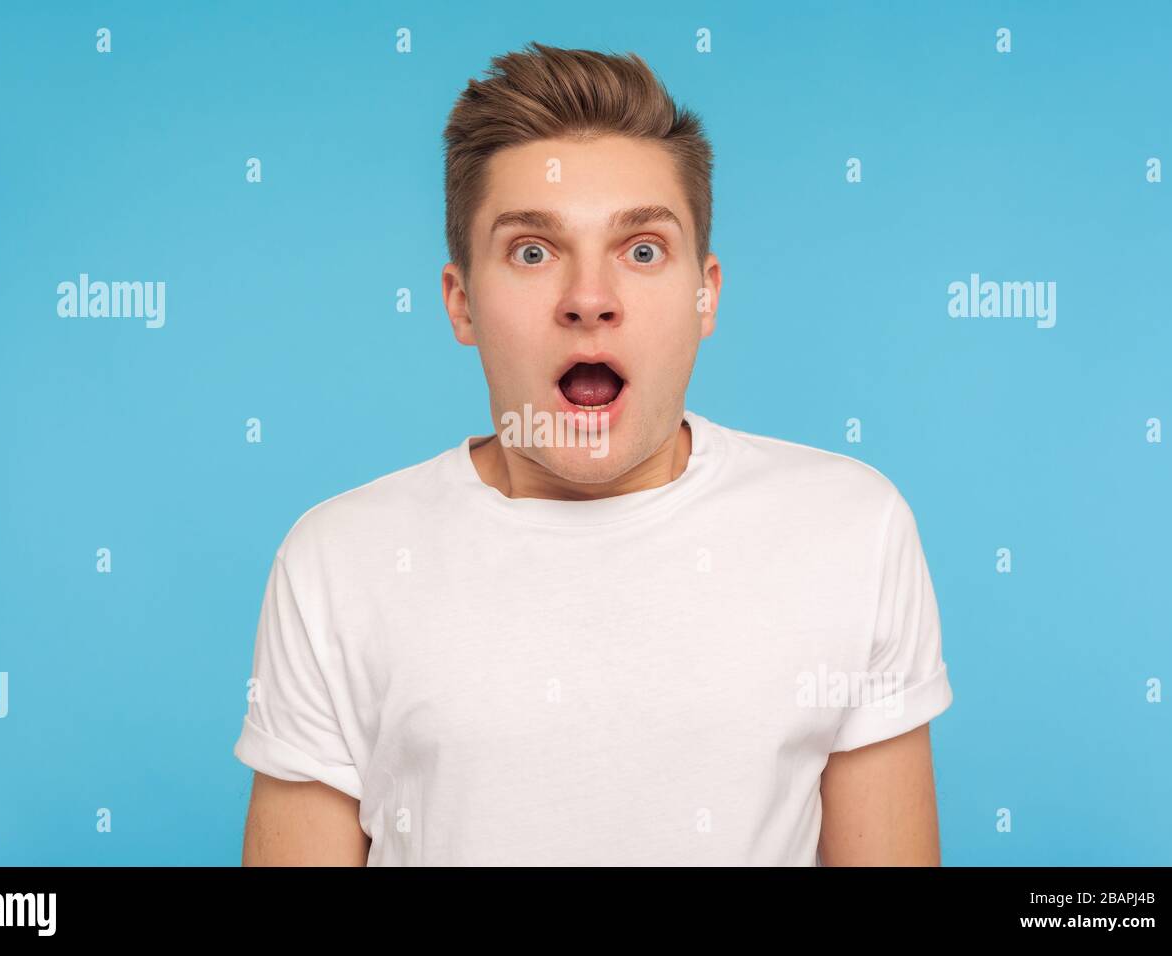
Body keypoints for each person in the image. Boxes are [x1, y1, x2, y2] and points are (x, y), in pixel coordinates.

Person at [233, 41, 953, 866]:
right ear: (461, 302)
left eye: (642, 250)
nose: (588, 300)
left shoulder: (850, 529)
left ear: (704, 293)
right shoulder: (338, 561)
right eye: (532, 252)